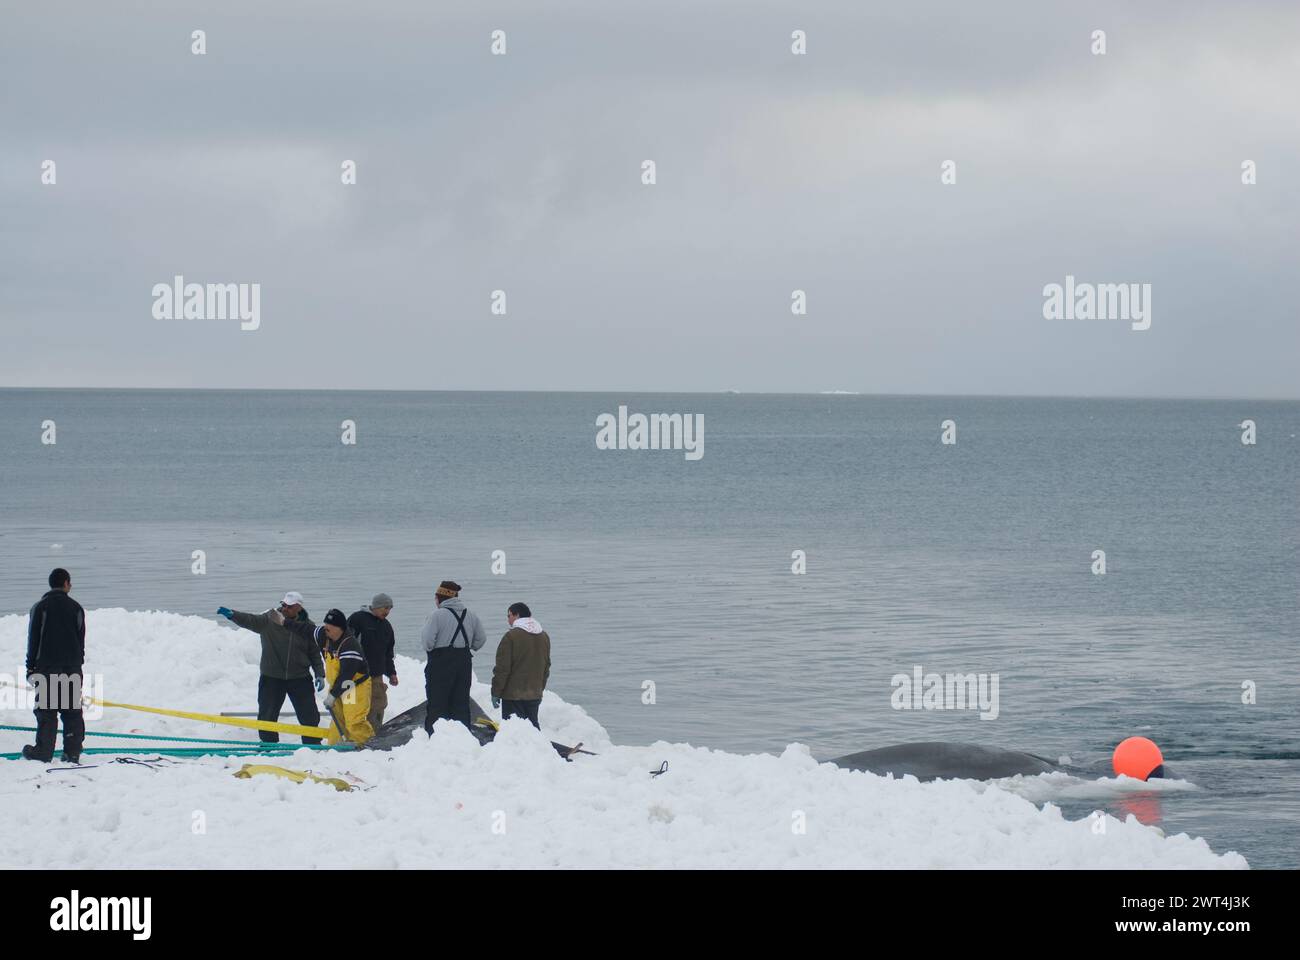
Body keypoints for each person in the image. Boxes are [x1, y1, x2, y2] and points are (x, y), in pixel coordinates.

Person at [217, 591, 325, 744]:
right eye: (283, 604)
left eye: (289, 606)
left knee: (309, 715)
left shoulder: (308, 626)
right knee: (267, 715)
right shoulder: (269, 619)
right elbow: (250, 620)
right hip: (272, 677)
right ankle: (268, 746)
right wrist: (232, 615)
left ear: (298, 608)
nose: (285, 608)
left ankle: (312, 745)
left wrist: (320, 674)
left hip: (299, 677)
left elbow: (314, 653)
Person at [274, 607, 373, 745]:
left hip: (351, 687)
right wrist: (284, 622)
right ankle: (336, 748)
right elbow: (306, 629)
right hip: (338, 685)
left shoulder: (350, 646)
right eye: (326, 624)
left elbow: (346, 676)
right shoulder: (323, 635)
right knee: (338, 720)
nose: (326, 627)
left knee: (354, 721)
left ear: (340, 628)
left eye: (330, 625)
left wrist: (333, 695)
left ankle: (368, 746)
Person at [22, 568, 86, 763]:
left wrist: (30, 667)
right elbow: (81, 639)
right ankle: (72, 752)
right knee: (71, 711)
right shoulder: (76, 608)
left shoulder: (40, 607)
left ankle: (43, 751)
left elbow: (33, 639)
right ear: (66, 583)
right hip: (71, 667)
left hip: (47, 667)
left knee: (46, 711)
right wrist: (78, 662)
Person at [420, 580, 485, 732]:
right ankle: (462, 735)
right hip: (464, 662)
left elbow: (427, 642)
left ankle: (436, 735)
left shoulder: (436, 615)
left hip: (440, 663)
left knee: (437, 702)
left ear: (439, 598)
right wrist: (470, 645)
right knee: (461, 702)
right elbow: (481, 639)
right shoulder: (471, 615)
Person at [490, 602, 551, 730]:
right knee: (532, 729)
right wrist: (540, 689)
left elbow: (503, 668)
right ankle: (539, 743)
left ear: (517, 615)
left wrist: (496, 692)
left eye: (509, 616)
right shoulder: (544, 636)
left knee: (513, 730)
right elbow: (546, 666)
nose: (508, 620)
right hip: (534, 693)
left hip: (513, 695)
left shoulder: (511, 636)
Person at [348, 593, 398, 732]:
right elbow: (345, 642)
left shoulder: (386, 626)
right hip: (354, 675)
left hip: (376, 675)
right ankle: (351, 733)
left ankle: (374, 733)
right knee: (351, 705)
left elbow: (388, 653)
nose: (387, 612)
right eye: (385, 608)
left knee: (378, 704)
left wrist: (391, 673)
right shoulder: (357, 619)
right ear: (376, 606)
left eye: (390, 609)